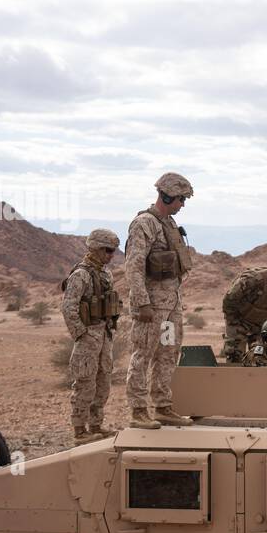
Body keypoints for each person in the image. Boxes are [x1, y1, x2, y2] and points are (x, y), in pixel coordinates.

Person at [124, 172, 194, 428]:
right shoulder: (144, 223)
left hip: (170, 306)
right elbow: (133, 266)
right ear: (166, 196)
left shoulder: (169, 224)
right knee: (143, 354)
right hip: (151, 307)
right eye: (180, 199)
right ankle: (138, 410)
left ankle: (163, 406)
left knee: (167, 353)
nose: (182, 205)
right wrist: (141, 302)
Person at [60, 228, 122, 444]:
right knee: (85, 381)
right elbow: (69, 307)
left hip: (104, 334)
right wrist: (81, 333)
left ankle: (96, 424)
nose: (111, 255)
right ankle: (79, 429)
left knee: (103, 380)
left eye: (113, 251)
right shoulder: (81, 274)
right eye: (107, 250)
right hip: (89, 335)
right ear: (95, 248)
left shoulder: (106, 274)